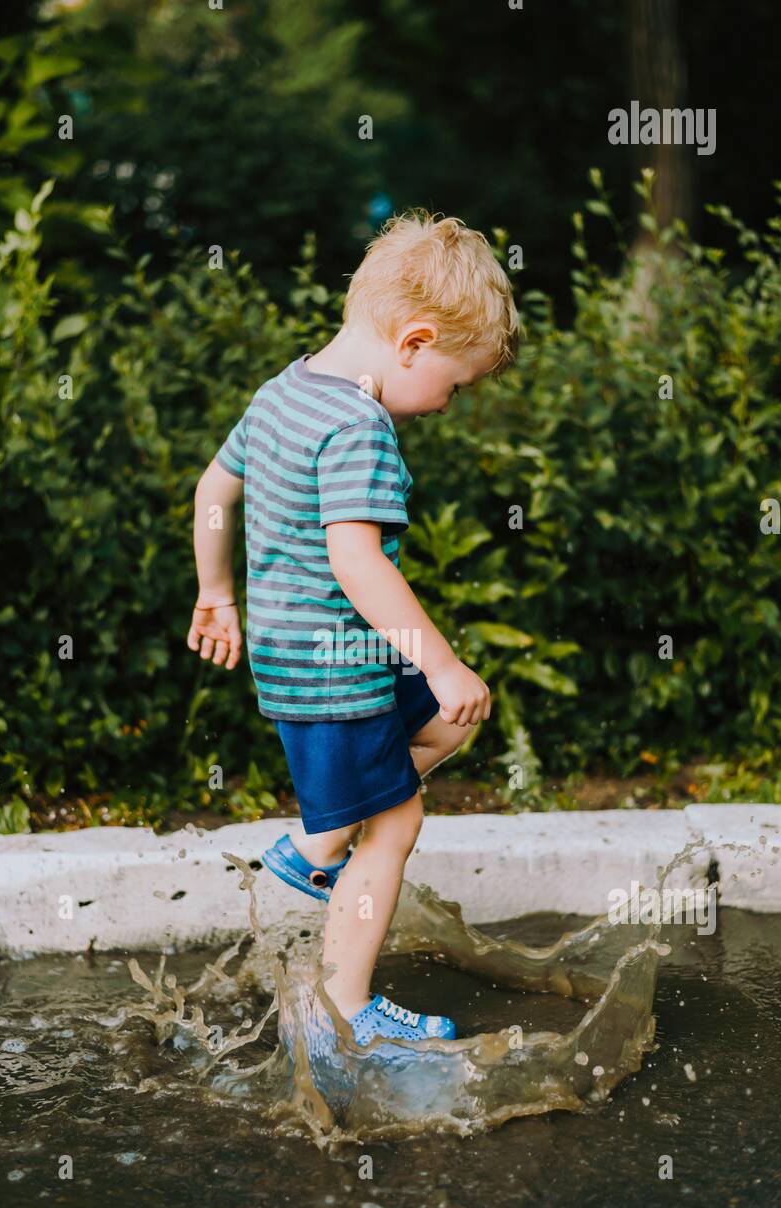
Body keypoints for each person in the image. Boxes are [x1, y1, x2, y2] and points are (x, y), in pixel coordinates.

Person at [188, 209, 518, 1051]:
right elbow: (359, 564)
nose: (447, 404)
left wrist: (216, 594)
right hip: (334, 669)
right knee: (400, 821)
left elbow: (212, 492)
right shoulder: (359, 427)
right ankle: (348, 1003)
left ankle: (328, 832)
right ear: (412, 340)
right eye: (454, 384)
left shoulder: (282, 391)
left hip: (315, 654)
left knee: (451, 722)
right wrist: (440, 660)